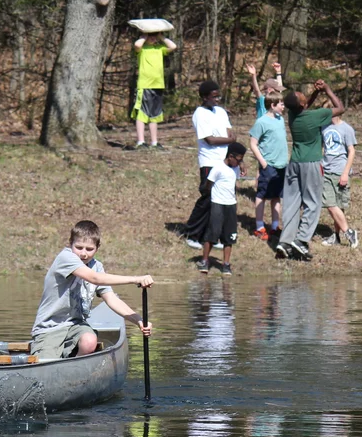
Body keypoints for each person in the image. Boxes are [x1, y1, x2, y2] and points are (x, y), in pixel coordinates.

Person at [31, 220, 154, 359]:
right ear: (70, 243)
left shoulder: (97, 266)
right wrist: (135, 279)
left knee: (89, 341)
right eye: (79, 247)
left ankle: (76, 367)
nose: (83, 253)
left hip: (76, 326)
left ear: (97, 248)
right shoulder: (65, 257)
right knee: (46, 366)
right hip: (50, 329)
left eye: (89, 249)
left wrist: (139, 320)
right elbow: (94, 278)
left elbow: (111, 299)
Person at [275, 79, 345, 260]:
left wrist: (315, 93)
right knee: (313, 203)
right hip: (312, 163)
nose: (304, 95)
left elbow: (304, 105)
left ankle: (284, 243)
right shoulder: (315, 116)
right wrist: (327, 89)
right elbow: (340, 108)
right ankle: (301, 240)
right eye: (302, 96)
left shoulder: (291, 115)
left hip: (294, 164)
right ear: (302, 104)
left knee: (291, 203)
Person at [183, 81, 235, 249]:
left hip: (224, 161)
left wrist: (230, 141)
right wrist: (230, 140)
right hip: (209, 161)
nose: (217, 99)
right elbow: (209, 139)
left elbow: (229, 131)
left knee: (221, 200)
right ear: (204, 97)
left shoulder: (220, 112)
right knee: (207, 197)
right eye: (214, 97)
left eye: (218, 96)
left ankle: (214, 236)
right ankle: (192, 233)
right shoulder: (200, 114)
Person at [198, 142, 246, 276]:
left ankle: (226, 264)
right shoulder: (218, 168)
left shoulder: (235, 168)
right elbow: (208, 185)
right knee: (213, 232)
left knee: (229, 235)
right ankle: (205, 260)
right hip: (217, 203)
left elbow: (233, 181)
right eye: (238, 159)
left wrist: (241, 164)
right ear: (230, 156)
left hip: (230, 204)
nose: (240, 162)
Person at [248, 90, 288, 240]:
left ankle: (275, 226)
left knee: (277, 196)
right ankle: (259, 227)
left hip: (281, 166)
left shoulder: (280, 119)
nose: (283, 106)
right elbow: (253, 144)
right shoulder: (261, 122)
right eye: (281, 104)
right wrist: (264, 164)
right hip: (269, 166)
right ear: (273, 105)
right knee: (262, 195)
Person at [129, 31, 178, 150]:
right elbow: (137, 45)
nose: (152, 38)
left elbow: (173, 47)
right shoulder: (142, 49)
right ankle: (141, 142)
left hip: (158, 85)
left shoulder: (160, 48)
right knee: (141, 114)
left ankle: (154, 142)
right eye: (150, 36)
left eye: (154, 36)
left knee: (154, 114)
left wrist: (161, 37)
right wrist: (144, 37)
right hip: (144, 85)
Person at [320, 114, 360, 247]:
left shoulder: (347, 129)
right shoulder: (323, 127)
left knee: (338, 205)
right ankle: (348, 232)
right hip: (326, 170)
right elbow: (321, 147)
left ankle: (338, 235)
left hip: (340, 171)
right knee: (330, 204)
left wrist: (345, 173)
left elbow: (351, 151)